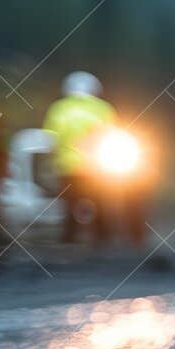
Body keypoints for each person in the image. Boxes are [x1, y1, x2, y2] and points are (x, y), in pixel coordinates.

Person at [42, 71, 117, 244]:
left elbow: (51, 138)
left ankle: (69, 240)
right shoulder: (103, 109)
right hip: (96, 168)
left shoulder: (59, 108)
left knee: (70, 205)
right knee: (99, 203)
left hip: (68, 166)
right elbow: (112, 135)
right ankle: (103, 240)